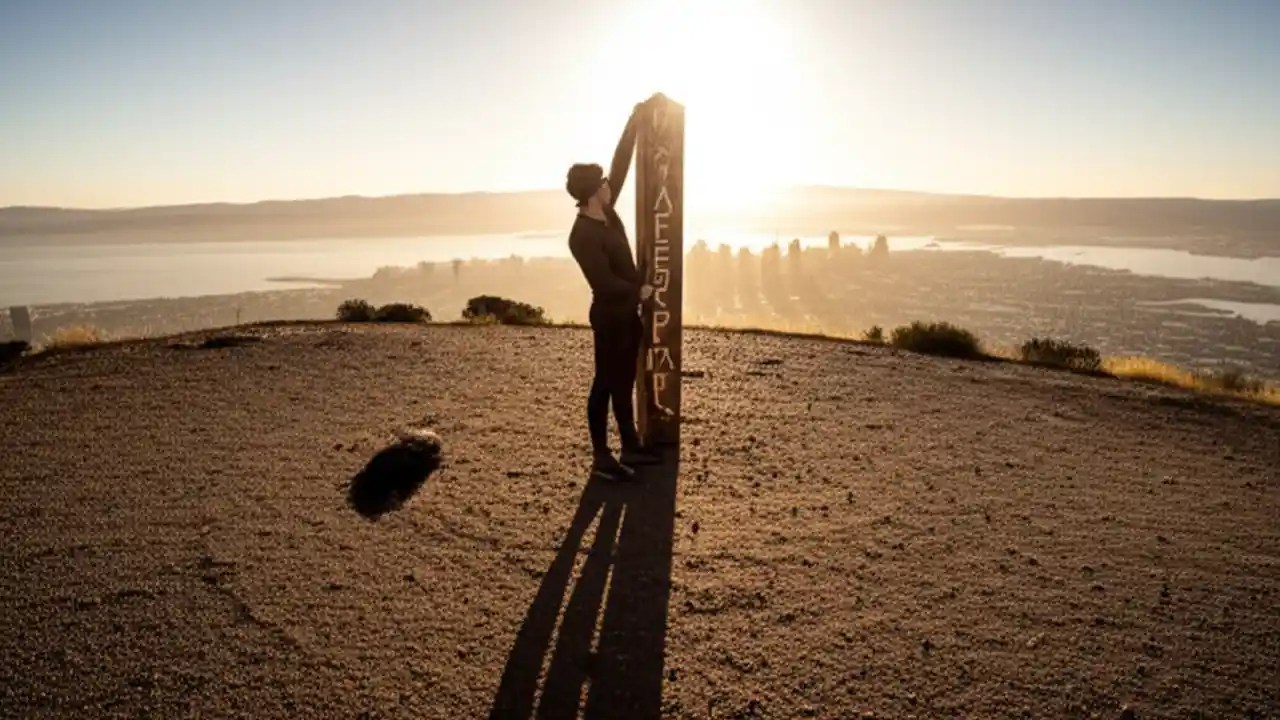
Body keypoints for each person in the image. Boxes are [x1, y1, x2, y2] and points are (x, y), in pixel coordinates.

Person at [566, 103, 662, 481]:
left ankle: (631, 448)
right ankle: (602, 458)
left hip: (627, 316)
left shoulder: (608, 213)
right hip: (609, 317)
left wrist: (634, 121)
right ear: (592, 193)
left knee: (623, 382)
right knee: (604, 385)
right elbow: (603, 282)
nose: (610, 184)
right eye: (603, 183)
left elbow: (619, 164)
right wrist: (638, 291)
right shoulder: (582, 235)